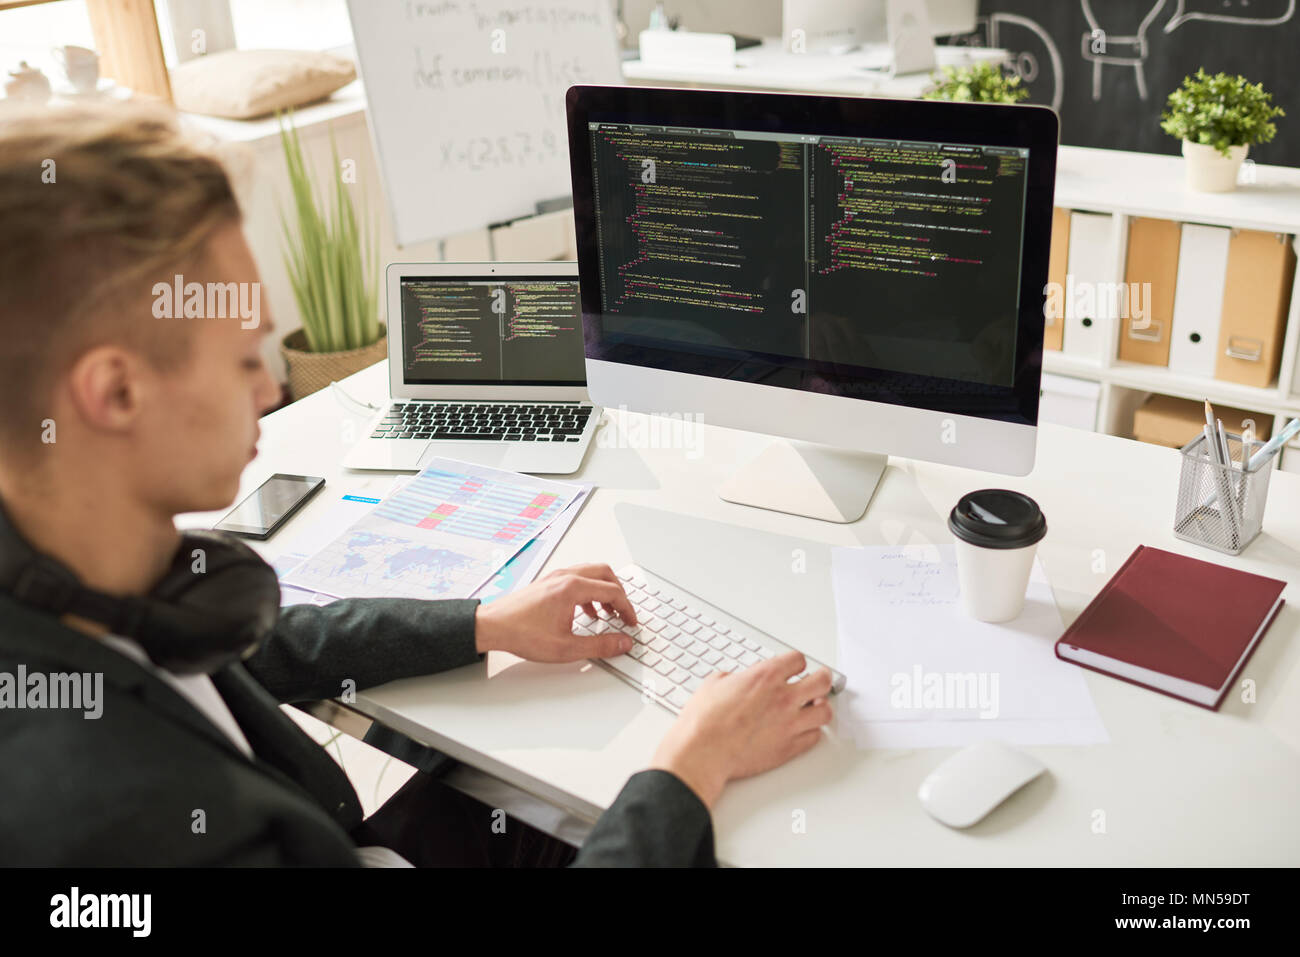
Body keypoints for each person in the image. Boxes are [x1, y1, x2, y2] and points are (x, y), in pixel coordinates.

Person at [0, 102, 834, 866]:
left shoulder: (80, 577)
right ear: (115, 393)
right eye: (244, 354)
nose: (271, 387)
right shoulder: (112, 816)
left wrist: (484, 620)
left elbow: (264, 646)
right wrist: (692, 765)